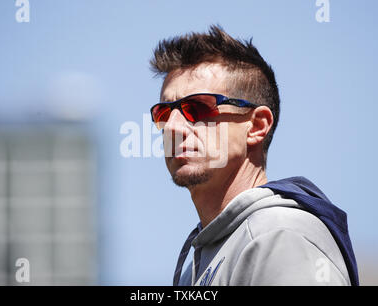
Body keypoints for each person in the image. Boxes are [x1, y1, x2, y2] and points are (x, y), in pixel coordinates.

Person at [149, 25, 359, 286]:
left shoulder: (281, 235)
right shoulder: (197, 264)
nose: (173, 127)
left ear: (257, 126)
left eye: (197, 108)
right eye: (164, 113)